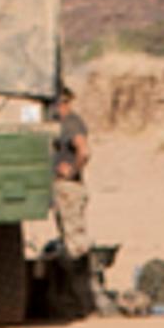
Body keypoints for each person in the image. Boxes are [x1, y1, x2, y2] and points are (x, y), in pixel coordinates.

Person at [46, 86, 92, 258]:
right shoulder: (61, 123)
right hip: (63, 187)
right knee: (67, 237)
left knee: (75, 241)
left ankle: (82, 271)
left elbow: (84, 151)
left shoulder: (71, 123)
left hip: (69, 188)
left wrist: (71, 171)